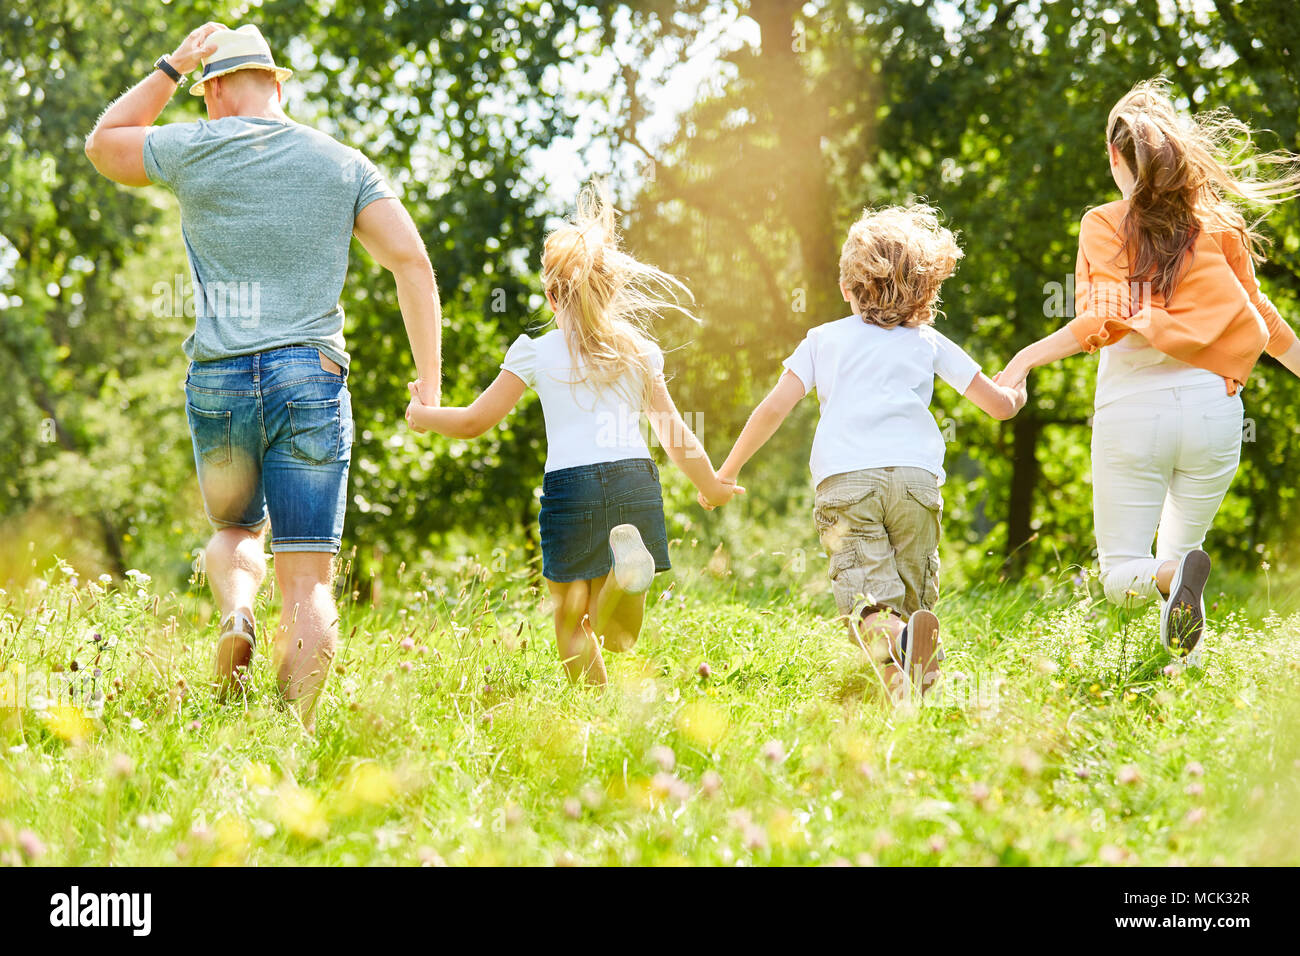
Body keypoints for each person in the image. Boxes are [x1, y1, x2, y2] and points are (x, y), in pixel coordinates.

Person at [84, 23, 442, 728]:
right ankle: (292, 739)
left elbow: (104, 143)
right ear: (277, 84)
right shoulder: (344, 163)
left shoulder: (193, 145)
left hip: (218, 382)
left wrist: (169, 66)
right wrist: (427, 390)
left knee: (235, 534)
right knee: (308, 579)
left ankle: (238, 614)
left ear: (212, 91)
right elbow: (412, 263)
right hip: (309, 376)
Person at [998, 77, 1300, 661]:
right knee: (1186, 551)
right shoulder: (1219, 224)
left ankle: (1168, 582)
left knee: (1121, 572)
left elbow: (1101, 321)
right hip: (1216, 413)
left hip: (1134, 414)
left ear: (1115, 156)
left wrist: (1025, 358)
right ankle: (1178, 662)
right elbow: (1264, 316)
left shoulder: (1105, 222)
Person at [405, 183, 738, 685]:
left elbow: (476, 421)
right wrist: (710, 484)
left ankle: (592, 716)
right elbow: (673, 430)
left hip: (571, 485)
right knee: (618, 633)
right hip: (634, 479)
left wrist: (422, 414)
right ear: (610, 289)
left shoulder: (535, 350)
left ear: (550, 292)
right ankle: (628, 581)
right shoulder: (640, 351)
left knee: (570, 619)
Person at [706, 203, 1027, 695]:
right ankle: (914, 692)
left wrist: (726, 472)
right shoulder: (928, 342)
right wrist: (1018, 386)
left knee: (870, 605)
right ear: (922, 287)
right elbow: (1001, 407)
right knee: (917, 602)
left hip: (848, 483)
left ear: (846, 288)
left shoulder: (822, 339)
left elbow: (773, 408)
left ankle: (898, 642)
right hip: (916, 485)